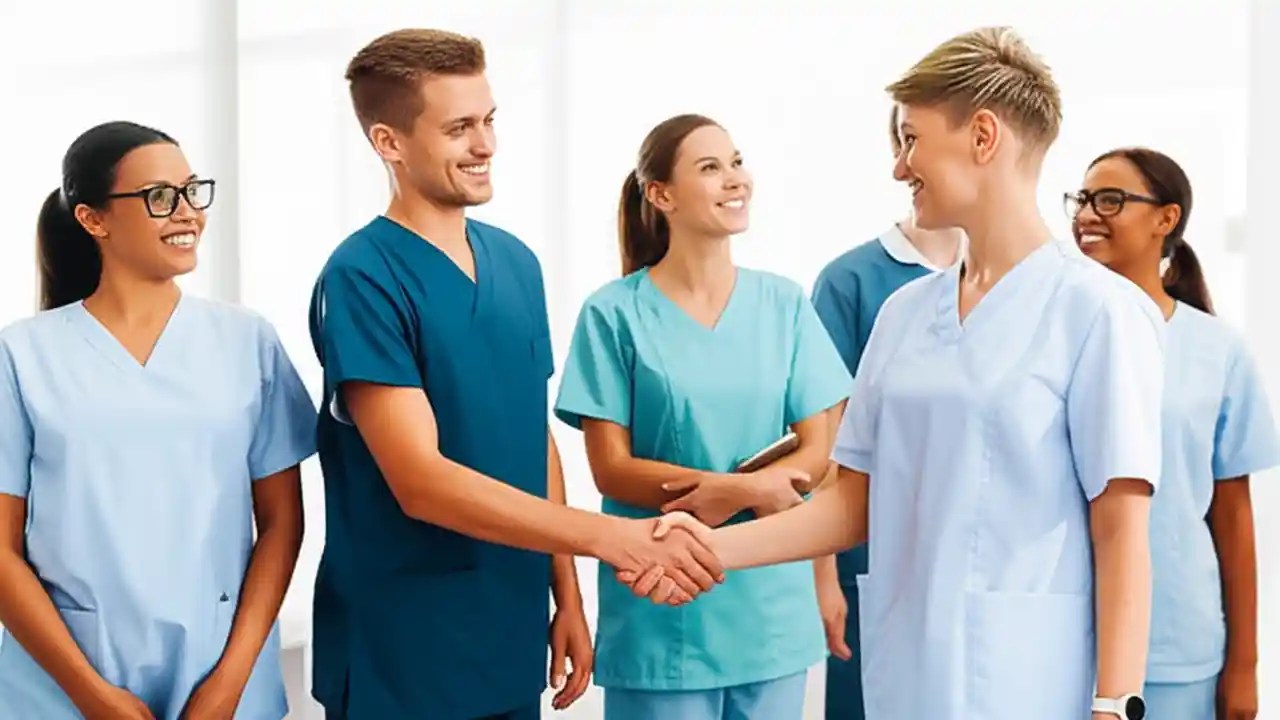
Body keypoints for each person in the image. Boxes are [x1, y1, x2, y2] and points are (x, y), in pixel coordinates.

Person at [632, 27, 1165, 720]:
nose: (899, 166)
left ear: (982, 137)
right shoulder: (905, 314)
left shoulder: (1098, 311)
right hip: (908, 673)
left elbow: (1121, 528)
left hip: (1029, 680)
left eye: (912, 139)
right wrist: (711, 547)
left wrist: (1115, 703)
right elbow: (851, 504)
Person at [307, 29, 723, 720]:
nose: (486, 145)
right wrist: (603, 538)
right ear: (390, 143)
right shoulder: (362, 277)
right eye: (460, 128)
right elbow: (420, 482)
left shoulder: (516, 264)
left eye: (489, 120)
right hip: (404, 648)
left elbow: (533, 438)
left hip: (508, 629)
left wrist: (566, 594)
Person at [0, 121, 316, 720]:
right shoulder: (19, 357)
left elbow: (281, 525)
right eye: (159, 197)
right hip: (62, 692)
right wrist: (93, 698)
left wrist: (229, 685)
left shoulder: (247, 341)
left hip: (223, 680)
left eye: (193, 191)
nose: (187, 213)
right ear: (94, 219)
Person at [554, 114, 851, 720]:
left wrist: (737, 495)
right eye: (710, 167)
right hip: (663, 602)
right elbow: (611, 470)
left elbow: (819, 447)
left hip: (771, 605)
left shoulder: (783, 303)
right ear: (661, 195)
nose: (734, 179)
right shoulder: (614, 314)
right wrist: (733, 489)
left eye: (737, 162)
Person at [1068, 147, 1279, 720]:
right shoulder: (1052, 335)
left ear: (1167, 219)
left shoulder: (1218, 350)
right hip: (1058, 641)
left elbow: (1232, 516)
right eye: (1082, 199)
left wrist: (1245, 665)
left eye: (1110, 199)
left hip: (1174, 650)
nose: (1088, 213)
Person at [809, 104, 965, 720]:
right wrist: (822, 578)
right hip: (868, 561)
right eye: (902, 141)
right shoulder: (851, 282)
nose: (904, 162)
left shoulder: (1020, 284)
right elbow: (828, 450)